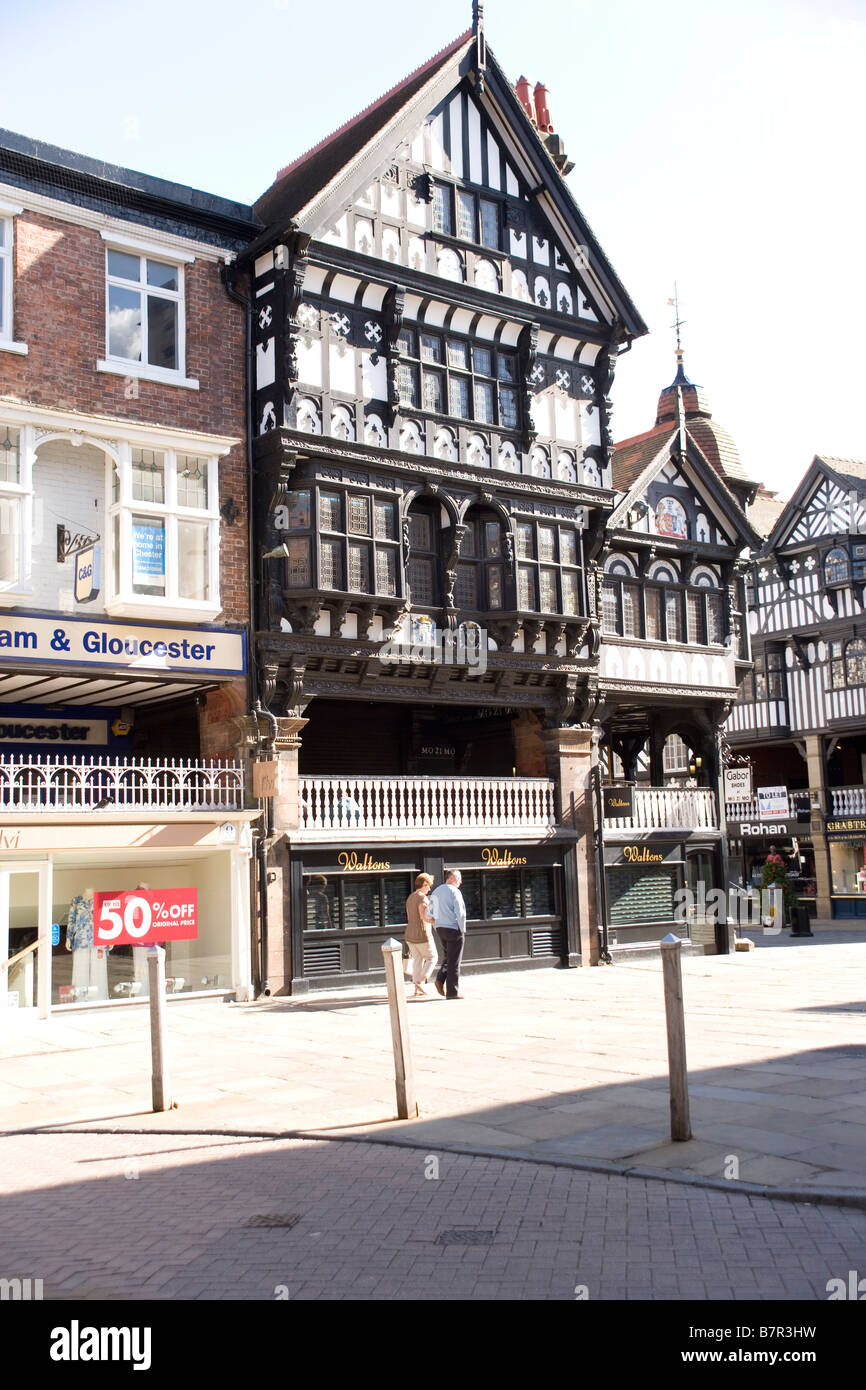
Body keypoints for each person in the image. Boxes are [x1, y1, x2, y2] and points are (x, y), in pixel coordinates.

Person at [429, 869, 467, 999]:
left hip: (440, 929)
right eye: (458, 878)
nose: (460, 881)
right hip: (453, 929)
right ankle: (452, 992)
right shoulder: (455, 891)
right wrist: (462, 929)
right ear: (451, 878)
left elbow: (430, 914)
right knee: (454, 961)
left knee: (448, 957)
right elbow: (460, 912)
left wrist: (437, 927)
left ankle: (440, 979)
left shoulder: (435, 891)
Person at [404, 873, 437, 998]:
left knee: (417, 960)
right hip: (422, 934)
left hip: (409, 934)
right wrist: (436, 921)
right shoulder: (422, 898)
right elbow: (424, 917)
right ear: (424, 884)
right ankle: (421, 981)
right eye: (428, 886)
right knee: (432, 958)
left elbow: (409, 916)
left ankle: (417, 989)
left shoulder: (410, 897)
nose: (429, 889)